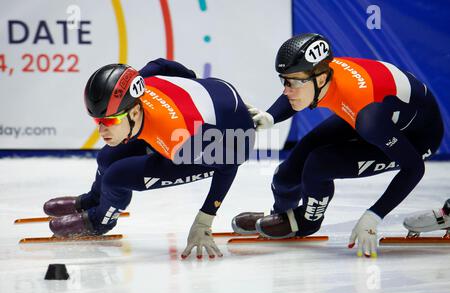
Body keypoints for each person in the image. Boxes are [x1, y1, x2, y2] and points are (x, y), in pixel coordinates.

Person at [232, 33, 444, 258]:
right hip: (377, 111)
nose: (286, 89)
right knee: (286, 175)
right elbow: (295, 93)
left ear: (321, 79)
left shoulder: (368, 117)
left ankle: (306, 221)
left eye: (292, 82)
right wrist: (270, 117)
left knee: (318, 165)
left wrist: (373, 216)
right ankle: (283, 214)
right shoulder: (322, 73)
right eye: (283, 80)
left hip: (416, 137)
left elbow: (414, 168)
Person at [43, 58, 255, 259]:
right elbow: (161, 64)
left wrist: (204, 220)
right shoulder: (140, 83)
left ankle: (100, 221)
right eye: (98, 120)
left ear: (134, 113)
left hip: (229, 143)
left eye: (110, 121)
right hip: (211, 102)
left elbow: (229, 163)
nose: (101, 129)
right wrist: (192, 79)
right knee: (107, 157)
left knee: (116, 177)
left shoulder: (180, 141)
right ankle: (92, 200)